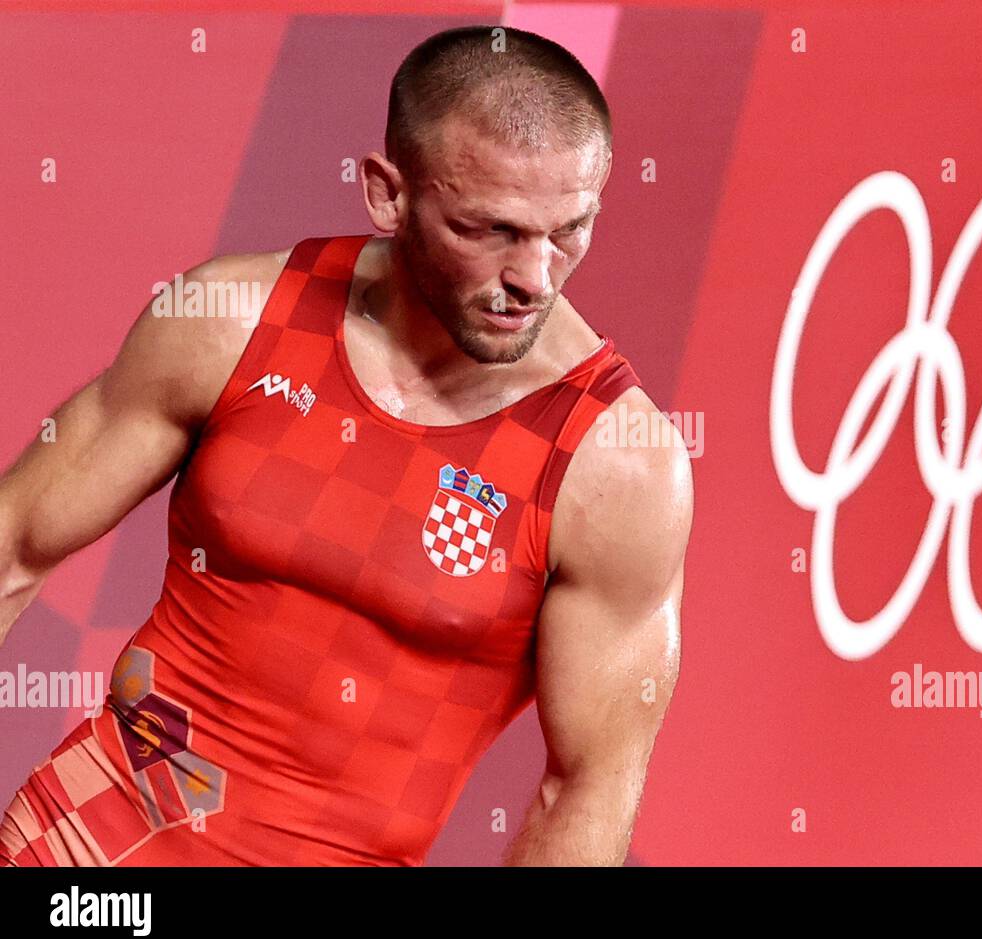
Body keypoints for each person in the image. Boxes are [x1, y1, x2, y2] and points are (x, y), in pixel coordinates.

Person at [0, 25, 692, 866]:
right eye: (492, 230)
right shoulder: (233, 321)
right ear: (386, 194)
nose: (534, 279)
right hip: (82, 848)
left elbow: (583, 795)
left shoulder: (614, 461)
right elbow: (14, 546)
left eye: (568, 231)